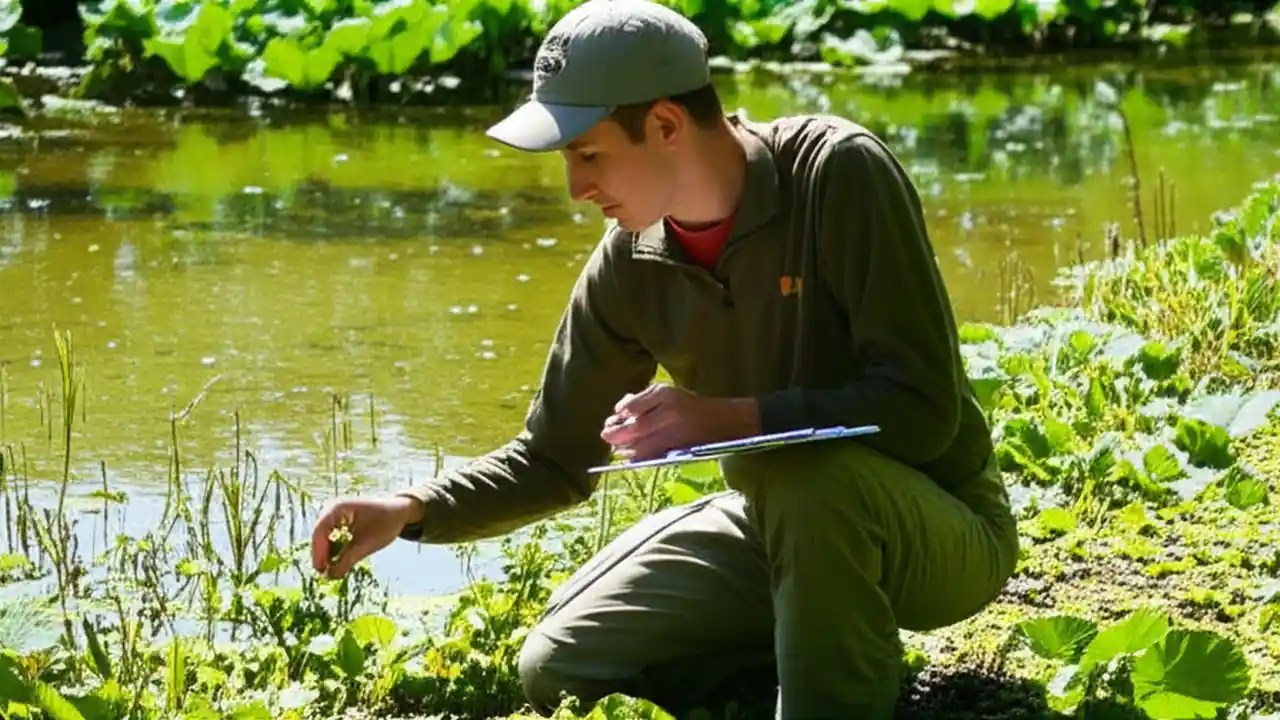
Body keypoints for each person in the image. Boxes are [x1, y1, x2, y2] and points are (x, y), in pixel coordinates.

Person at [308, 1, 1020, 717]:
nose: (575, 188)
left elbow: (921, 410)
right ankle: (800, 654)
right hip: (778, 523)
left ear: (667, 126)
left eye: (588, 154)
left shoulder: (837, 173)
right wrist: (409, 509)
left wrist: (726, 419)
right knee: (561, 665)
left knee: (814, 484)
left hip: (944, 531)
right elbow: (554, 457)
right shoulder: (629, 263)